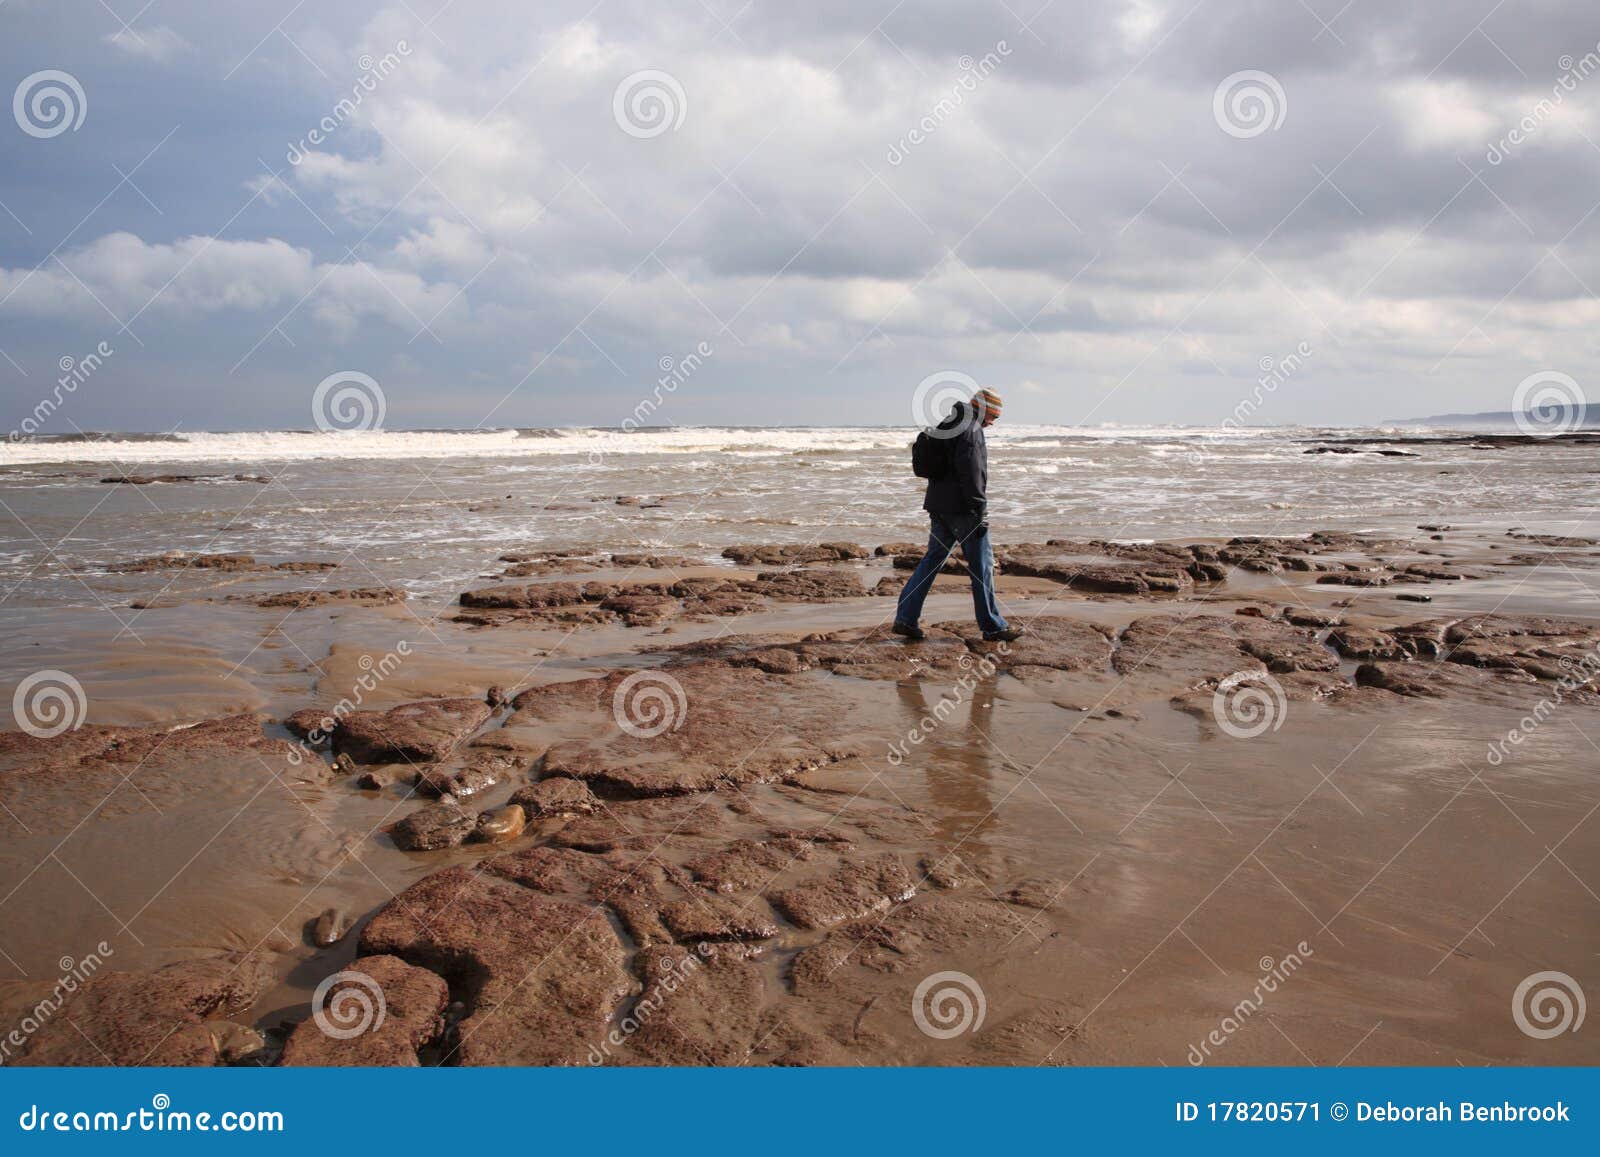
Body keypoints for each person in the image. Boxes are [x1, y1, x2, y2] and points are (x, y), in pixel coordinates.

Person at [893, 387, 1021, 643]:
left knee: (932, 560)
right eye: (993, 417)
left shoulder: (949, 422)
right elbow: (972, 472)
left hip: (938, 506)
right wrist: (979, 509)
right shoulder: (971, 429)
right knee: (982, 567)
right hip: (963, 509)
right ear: (984, 411)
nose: (992, 423)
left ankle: (906, 619)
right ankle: (993, 626)